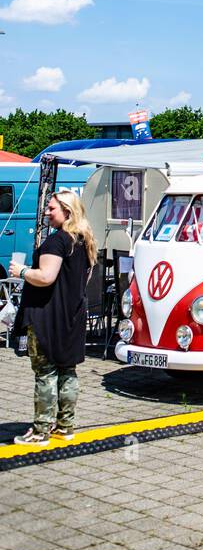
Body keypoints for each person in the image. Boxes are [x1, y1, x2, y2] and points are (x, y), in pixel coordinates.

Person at [9, 188, 96, 445]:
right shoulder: (83, 240)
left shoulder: (57, 241)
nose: (46, 213)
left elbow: (46, 277)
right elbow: (84, 279)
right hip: (72, 315)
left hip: (48, 317)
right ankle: (65, 426)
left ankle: (40, 431)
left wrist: (22, 270)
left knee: (46, 372)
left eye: (51, 209)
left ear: (67, 211)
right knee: (67, 371)